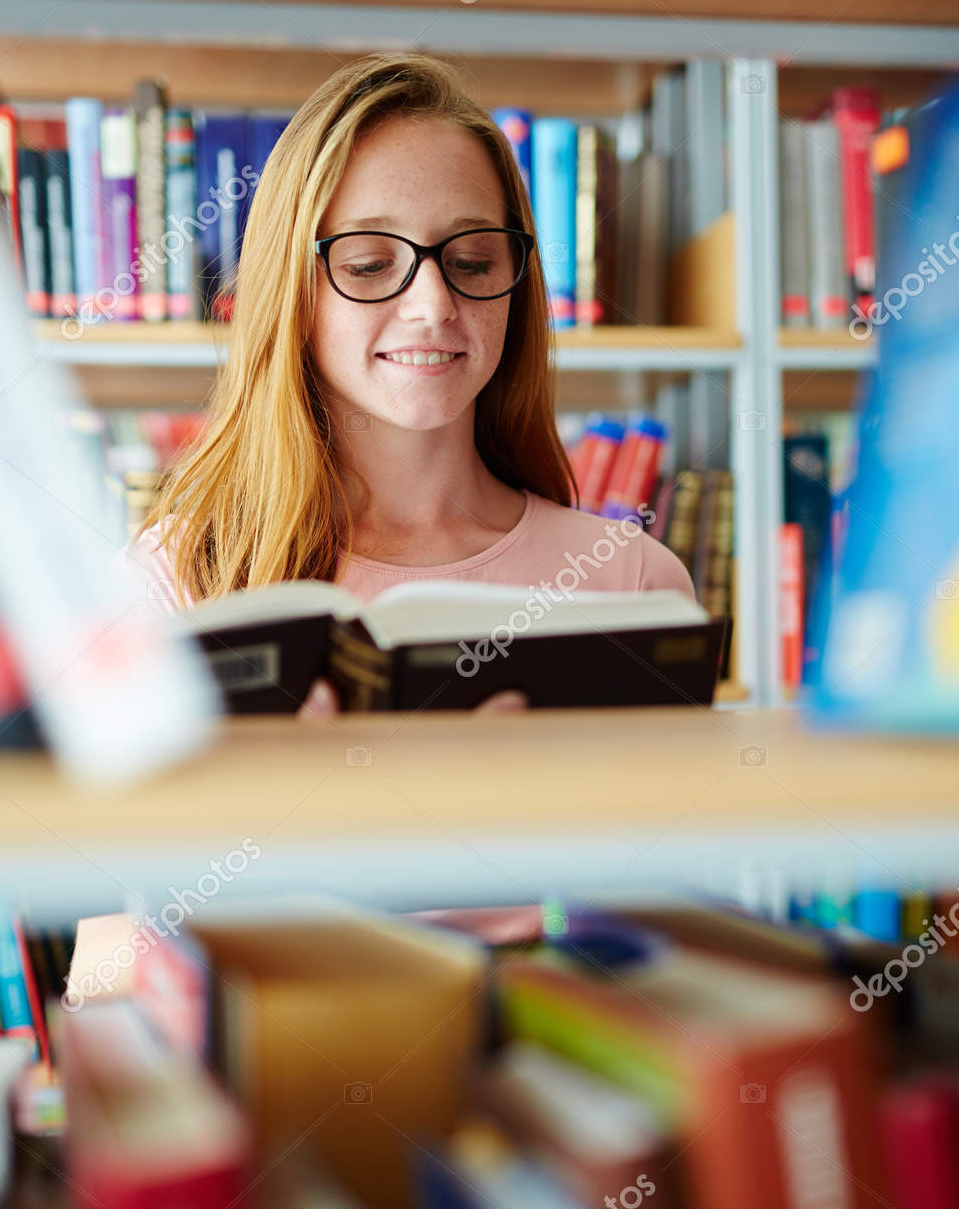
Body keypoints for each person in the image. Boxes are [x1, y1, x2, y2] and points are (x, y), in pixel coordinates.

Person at [123, 52, 694, 717]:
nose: (431, 305)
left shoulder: (631, 583)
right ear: (291, 293)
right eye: (368, 263)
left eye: (471, 261)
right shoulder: (175, 579)